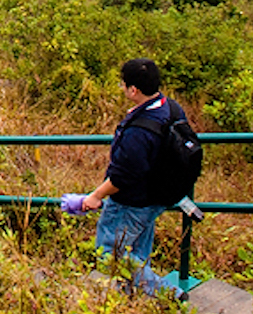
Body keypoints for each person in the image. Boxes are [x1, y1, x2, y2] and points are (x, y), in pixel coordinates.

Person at [79, 57, 187, 296]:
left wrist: (96, 196)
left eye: (124, 84)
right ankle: (132, 296)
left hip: (133, 201)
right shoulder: (171, 108)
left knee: (110, 254)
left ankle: (168, 295)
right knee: (136, 252)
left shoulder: (139, 131)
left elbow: (123, 176)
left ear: (133, 89)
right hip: (158, 196)